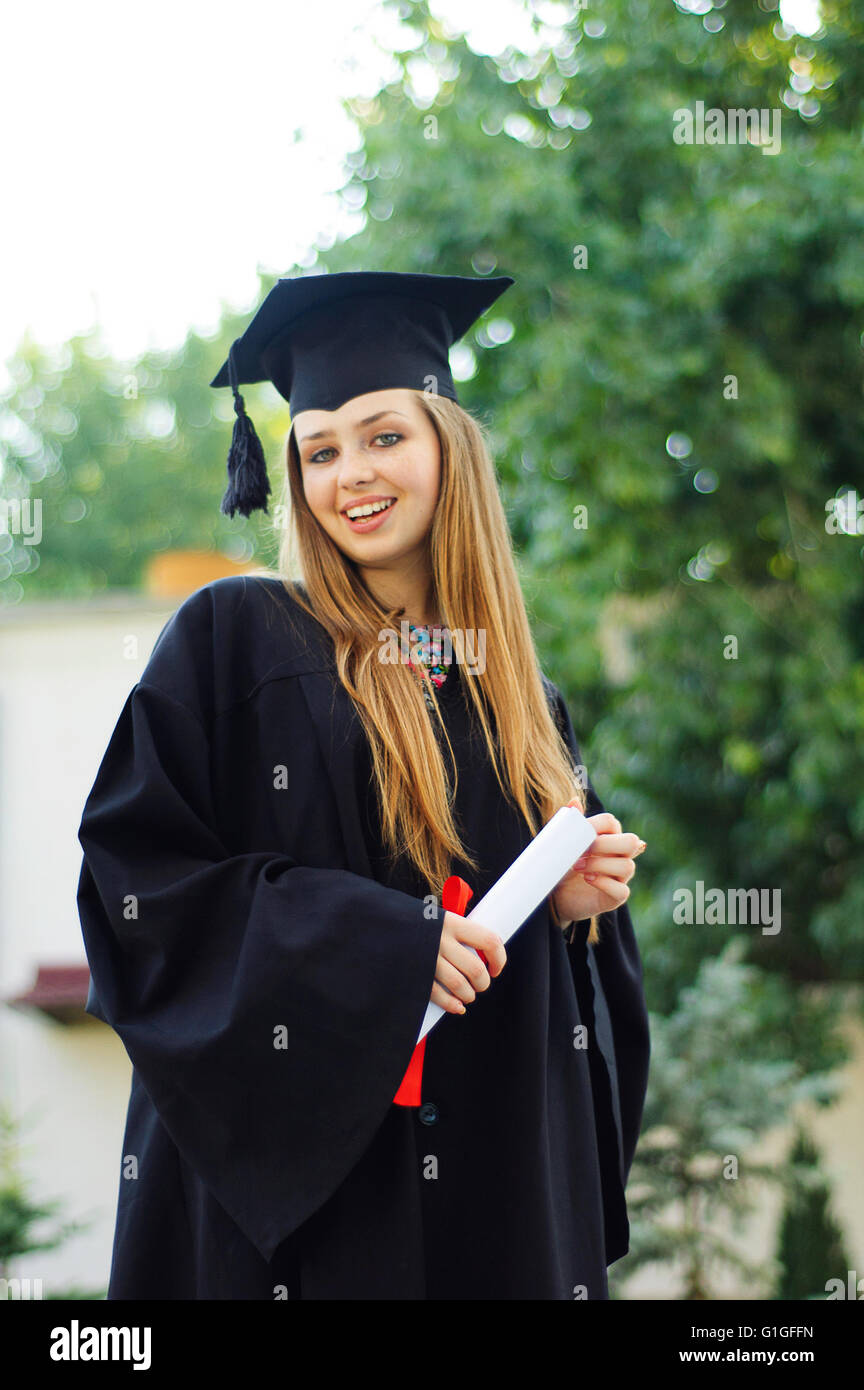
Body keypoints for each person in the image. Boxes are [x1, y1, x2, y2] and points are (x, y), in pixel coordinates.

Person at [76, 270, 650, 1300]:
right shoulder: (233, 641)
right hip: (312, 1226)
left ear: (449, 446)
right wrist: (382, 948)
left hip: (488, 1192)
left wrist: (572, 915)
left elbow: (557, 1022)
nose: (353, 474)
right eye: (321, 449)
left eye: (386, 436)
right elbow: (137, 889)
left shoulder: (525, 703)